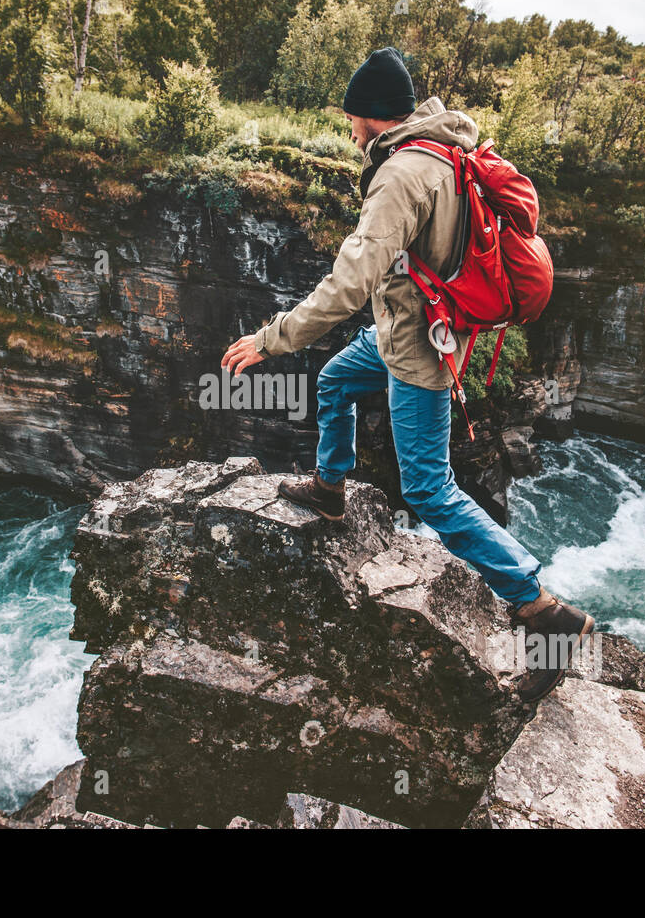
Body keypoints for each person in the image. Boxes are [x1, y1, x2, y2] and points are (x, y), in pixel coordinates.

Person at [221, 46, 595, 702]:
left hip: (420, 347)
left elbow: (348, 284)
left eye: (351, 117)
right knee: (336, 380)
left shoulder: (402, 174)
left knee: (429, 490)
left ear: (369, 116)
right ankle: (331, 486)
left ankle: (543, 611)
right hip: (400, 331)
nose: (349, 128)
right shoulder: (444, 148)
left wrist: (271, 340)